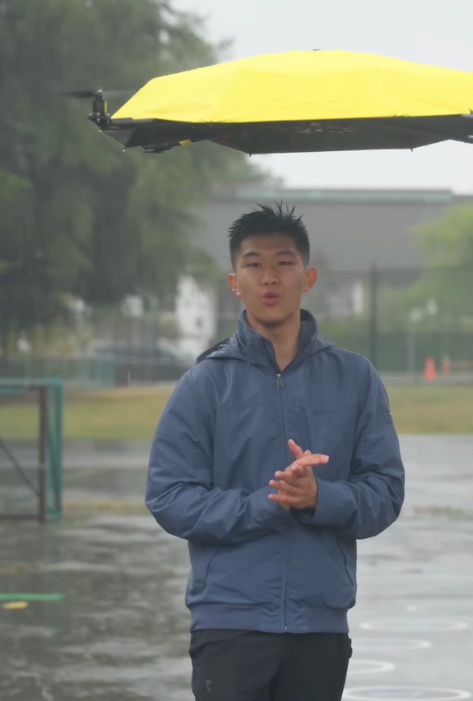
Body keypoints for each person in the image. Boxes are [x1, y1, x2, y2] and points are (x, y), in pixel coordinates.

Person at [146, 203, 405, 701]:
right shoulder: (204, 384)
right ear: (233, 281)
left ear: (307, 277)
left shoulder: (355, 378)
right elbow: (169, 496)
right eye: (254, 264)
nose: (270, 277)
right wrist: (264, 504)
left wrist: (317, 499)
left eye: (284, 263)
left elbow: (385, 492)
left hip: (320, 623)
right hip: (229, 621)